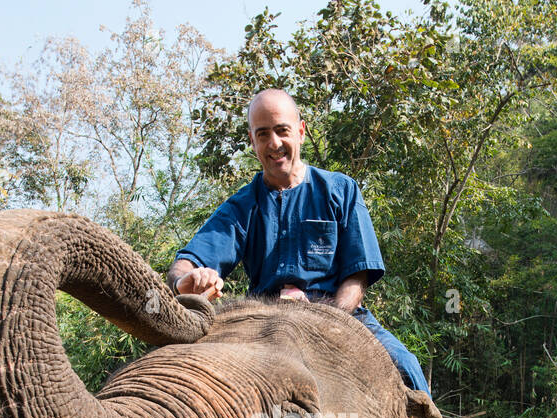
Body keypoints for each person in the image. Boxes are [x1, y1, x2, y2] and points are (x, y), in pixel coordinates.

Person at [166, 89, 431, 395]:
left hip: (339, 315)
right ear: (252, 142)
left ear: (301, 132)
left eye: (282, 131)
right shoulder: (241, 207)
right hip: (266, 320)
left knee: (407, 366)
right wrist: (186, 280)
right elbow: (185, 264)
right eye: (263, 134)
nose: (274, 143)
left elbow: (357, 277)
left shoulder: (340, 190)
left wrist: (325, 318)